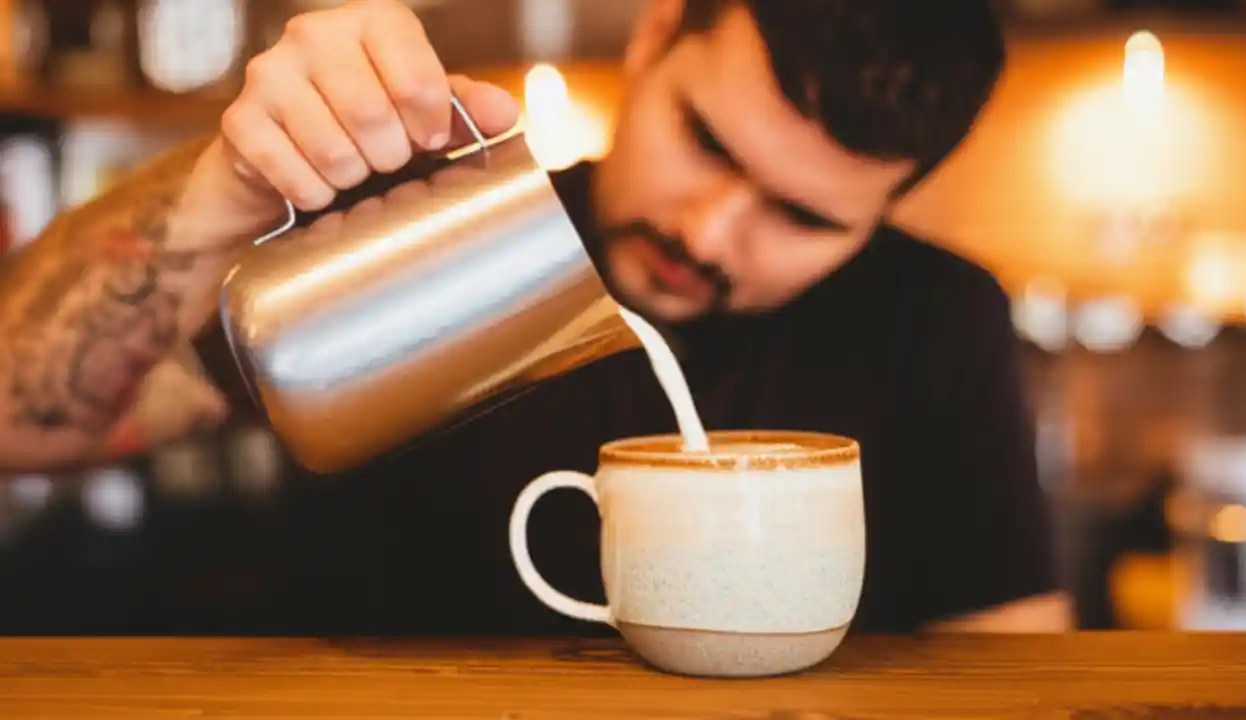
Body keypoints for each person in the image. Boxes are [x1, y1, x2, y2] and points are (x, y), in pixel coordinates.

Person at [0, 0, 1070, 633]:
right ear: (653, 38)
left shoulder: (930, 321)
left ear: (886, 209)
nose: (706, 231)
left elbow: (1008, 653)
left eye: (801, 216)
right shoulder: (442, 243)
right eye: (705, 140)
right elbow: (19, 421)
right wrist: (234, 184)